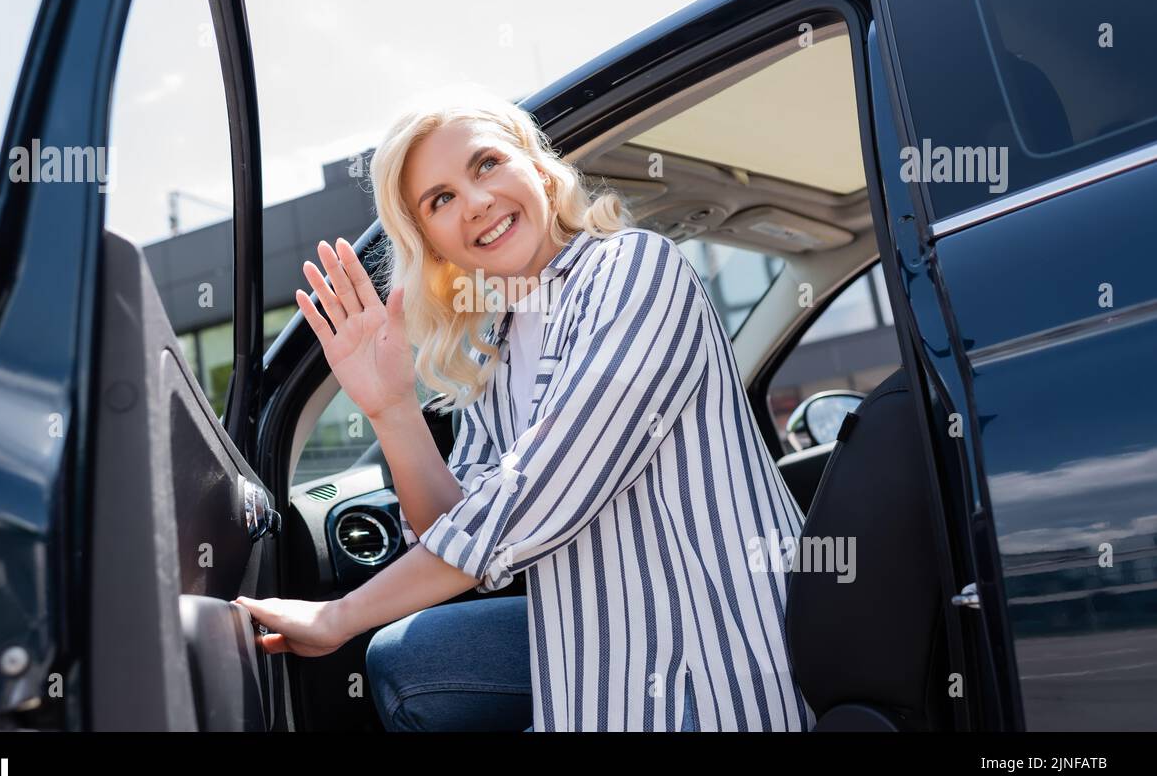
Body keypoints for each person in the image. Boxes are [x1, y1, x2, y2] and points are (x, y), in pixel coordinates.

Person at [235, 85, 814, 732]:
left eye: (486, 164)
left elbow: (530, 498)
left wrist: (339, 615)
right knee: (409, 655)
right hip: (594, 667)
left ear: (537, 167)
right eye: (441, 199)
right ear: (431, 240)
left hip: (717, 668)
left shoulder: (636, 269)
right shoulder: (496, 349)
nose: (476, 202)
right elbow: (458, 528)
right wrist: (392, 407)